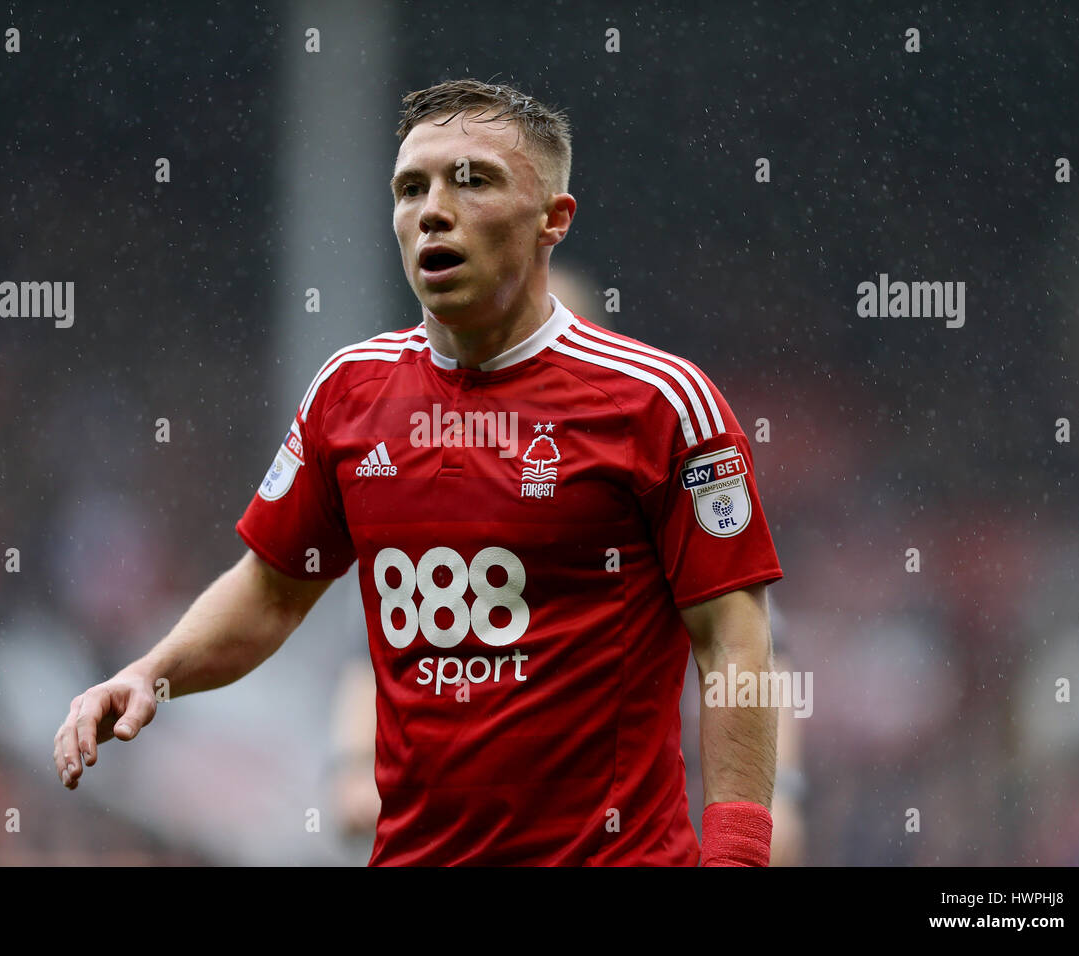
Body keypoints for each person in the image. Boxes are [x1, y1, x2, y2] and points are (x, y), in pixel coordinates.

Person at [54, 78, 785, 866]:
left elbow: (734, 646)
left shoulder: (661, 403)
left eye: (472, 180)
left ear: (553, 220)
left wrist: (738, 856)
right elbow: (270, 592)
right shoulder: (347, 394)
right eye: (411, 188)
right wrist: (152, 672)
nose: (432, 208)